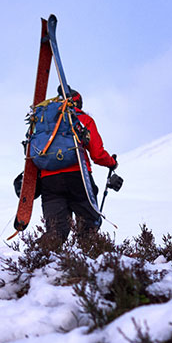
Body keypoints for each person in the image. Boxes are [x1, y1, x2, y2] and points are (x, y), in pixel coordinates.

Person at [36, 86, 117, 243]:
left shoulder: (43, 123)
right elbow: (97, 154)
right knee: (88, 226)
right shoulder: (83, 120)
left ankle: (35, 261)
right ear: (78, 103)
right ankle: (88, 262)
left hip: (49, 180)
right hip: (78, 177)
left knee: (56, 230)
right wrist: (112, 163)